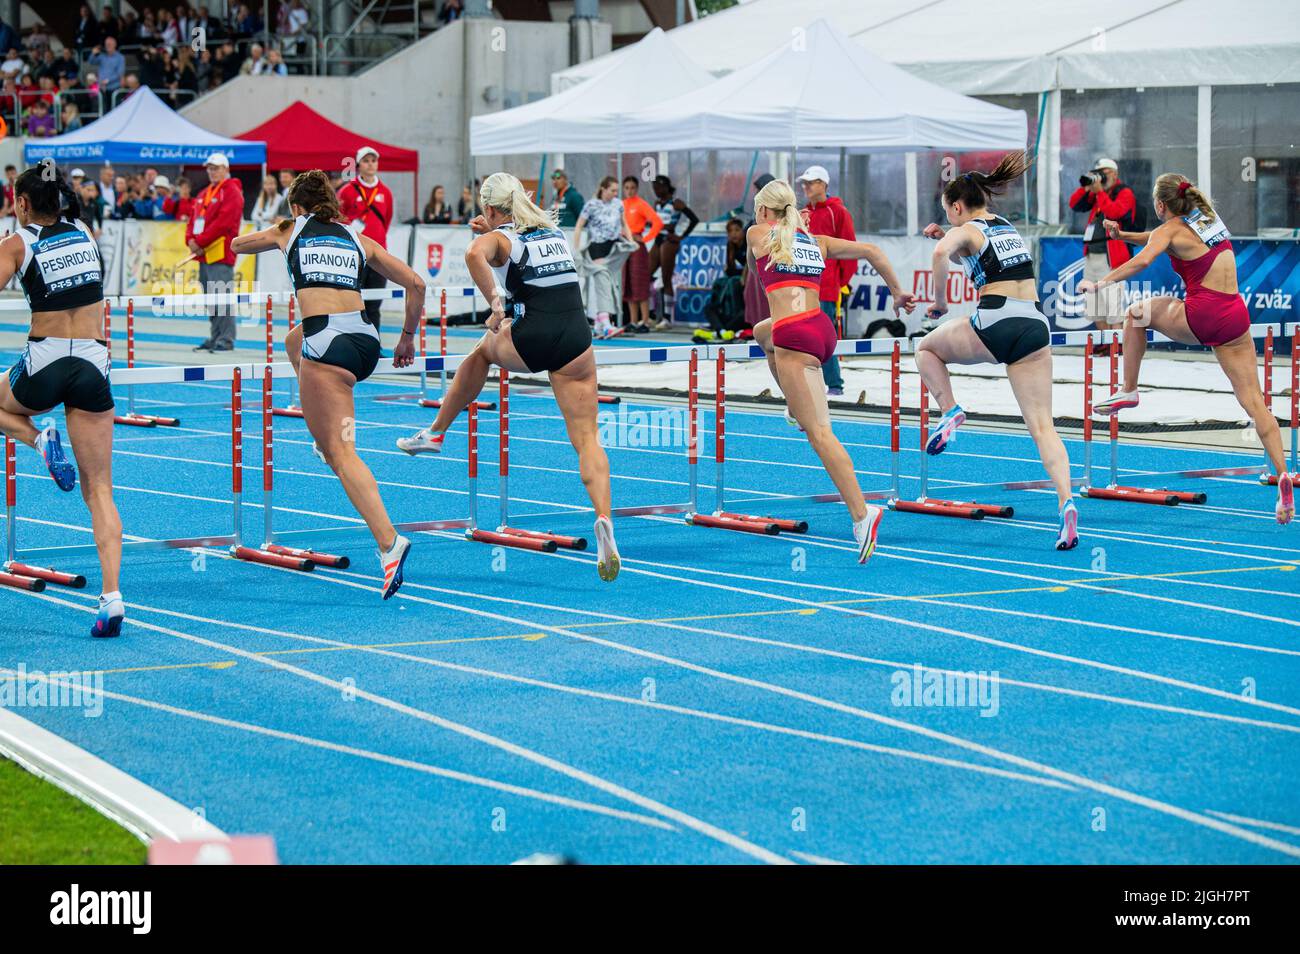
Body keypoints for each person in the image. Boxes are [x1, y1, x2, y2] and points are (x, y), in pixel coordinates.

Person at [396, 173, 621, 582]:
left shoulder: (502, 240)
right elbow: (519, 250)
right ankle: (604, 518)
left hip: (532, 338)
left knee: (483, 350)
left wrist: (497, 305)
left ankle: (436, 432)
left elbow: (473, 255)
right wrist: (495, 233)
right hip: (576, 340)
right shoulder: (552, 232)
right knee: (587, 439)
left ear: (490, 209)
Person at [231, 170, 427, 598]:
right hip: (365, 340)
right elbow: (416, 283)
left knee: (344, 455)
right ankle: (324, 436)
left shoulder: (289, 228)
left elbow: (237, 246)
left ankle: (389, 543)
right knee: (290, 341)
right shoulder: (356, 237)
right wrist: (407, 337)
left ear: (297, 207)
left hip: (326, 345)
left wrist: (273, 229)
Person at [1083, 174, 1293, 524]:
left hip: (1203, 313)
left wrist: (1101, 284)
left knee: (1135, 315)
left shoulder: (1171, 229)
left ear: (1161, 206)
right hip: (1235, 316)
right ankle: (1282, 476)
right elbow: (1158, 240)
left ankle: (1129, 389)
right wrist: (1123, 235)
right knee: (1255, 403)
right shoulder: (1208, 218)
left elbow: (1143, 260)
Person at [917, 153, 1079, 550]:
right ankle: (1067, 502)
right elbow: (976, 258)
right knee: (1043, 427)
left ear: (957, 207)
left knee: (926, 349)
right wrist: (947, 239)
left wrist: (938, 303)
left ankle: (951, 410)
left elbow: (944, 255)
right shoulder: (1005, 228)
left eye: (949, 214)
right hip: (1036, 326)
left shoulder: (967, 228)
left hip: (996, 320)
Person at [748, 178, 914, 562]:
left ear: (763, 211)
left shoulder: (759, 233)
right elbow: (872, 250)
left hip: (794, 336)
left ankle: (861, 513)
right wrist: (897, 291)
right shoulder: (816, 241)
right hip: (822, 330)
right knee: (761, 332)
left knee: (821, 434)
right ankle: (793, 404)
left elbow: (767, 252)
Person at [0, 166, 124, 637]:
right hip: (93, 363)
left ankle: (36, 438)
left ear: (24, 204)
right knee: (100, 492)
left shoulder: (19, 241)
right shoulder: (86, 232)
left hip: (45, 360)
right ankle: (112, 598)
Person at [797, 165, 856, 396]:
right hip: (804, 284)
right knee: (804, 334)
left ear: (824, 184)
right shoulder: (803, 213)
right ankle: (808, 381)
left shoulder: (838, 212)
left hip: (827, 288)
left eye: (811, 182)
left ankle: (834, 384)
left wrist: (837, 281)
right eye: (805, 183)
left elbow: (851, 250)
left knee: (825, 335)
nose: (806, 186)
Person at [1068, 158, 1138, 337]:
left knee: (1113, 305)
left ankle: (1118, 345)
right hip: (1092, 256)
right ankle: (1105, 344)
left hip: (1112, 258)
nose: (1101, 177)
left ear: (1114, 174)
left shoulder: (1124, 192)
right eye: (1098, 173)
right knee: (1094, 305)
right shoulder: (1097, 193)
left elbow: (1115, 213)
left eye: (1104, 173)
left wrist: (1100, 192)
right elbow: (1074, 204)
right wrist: (1087, 187)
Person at [188, 152, 244, 352]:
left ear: (226, 169)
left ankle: (226, 338)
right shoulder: (204, 193)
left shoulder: (232, 192)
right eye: (210, 168)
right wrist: (190, 240)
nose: (212, 172)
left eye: (216, 168)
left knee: (222, 295)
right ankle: (216, 335)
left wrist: (200, 241)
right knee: (210, 296)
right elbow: (192, 219)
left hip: (220, 252)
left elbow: (224, 223)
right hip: (204, 253)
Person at [336, 146, 394, 329]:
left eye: (373, 161)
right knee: (353, 303)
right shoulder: (347, 191)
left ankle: (374, 344)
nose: (370, 165)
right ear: (359, 165)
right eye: (366, 161)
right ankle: (353, 341)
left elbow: (386, 221)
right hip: (354, 255)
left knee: (374, 305)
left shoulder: (385, 192)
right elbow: (337, 218)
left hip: (378, 255)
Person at [572, 175, 633, 338]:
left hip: (613, 248)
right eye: (612, 190)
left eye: (616, 190)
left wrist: (631, 240)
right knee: (602, 282)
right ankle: (606, 323)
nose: (615, 193)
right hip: (597, 247)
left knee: (611, 284)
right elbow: (579, 227)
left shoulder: (618, 204)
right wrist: (576, 249)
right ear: (603, 189)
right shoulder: (591, 205)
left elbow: (624, 223)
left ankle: (599, 323)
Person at [649, 174, 698, 331]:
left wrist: (680, 236)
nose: (655, 191)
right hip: (658, 239)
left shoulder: (676, 203)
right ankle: (651, 314)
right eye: (654, 188)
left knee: (666, 278)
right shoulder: (658, 203)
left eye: (658, 187)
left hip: (669, 242)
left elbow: (694, 219)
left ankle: (667, 317)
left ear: (665, 187)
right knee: (646, 274)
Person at [620, 176, 662, 334]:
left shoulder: (640, 204)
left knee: (640, 284)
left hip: (637, 246)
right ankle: (633, 320)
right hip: (625, 246)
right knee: (629, 284)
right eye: (627, 188)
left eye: (632, 188)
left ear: (636, 189)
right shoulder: (621, 205)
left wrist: (644, 238)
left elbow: (657, 222)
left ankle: (644, 320)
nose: (629, 191)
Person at [697, 217, 748, 343]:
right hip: (732, 295)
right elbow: (729, 271)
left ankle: (717, 332)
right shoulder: (730, 247)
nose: (734, 234)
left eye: (737, 230)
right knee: (709, 307)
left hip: (743, 294)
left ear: (743, 231)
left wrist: (740, 274)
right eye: (730, 231)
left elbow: (746, 272)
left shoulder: (748, 245)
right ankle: (722, 331)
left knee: (743, 314)